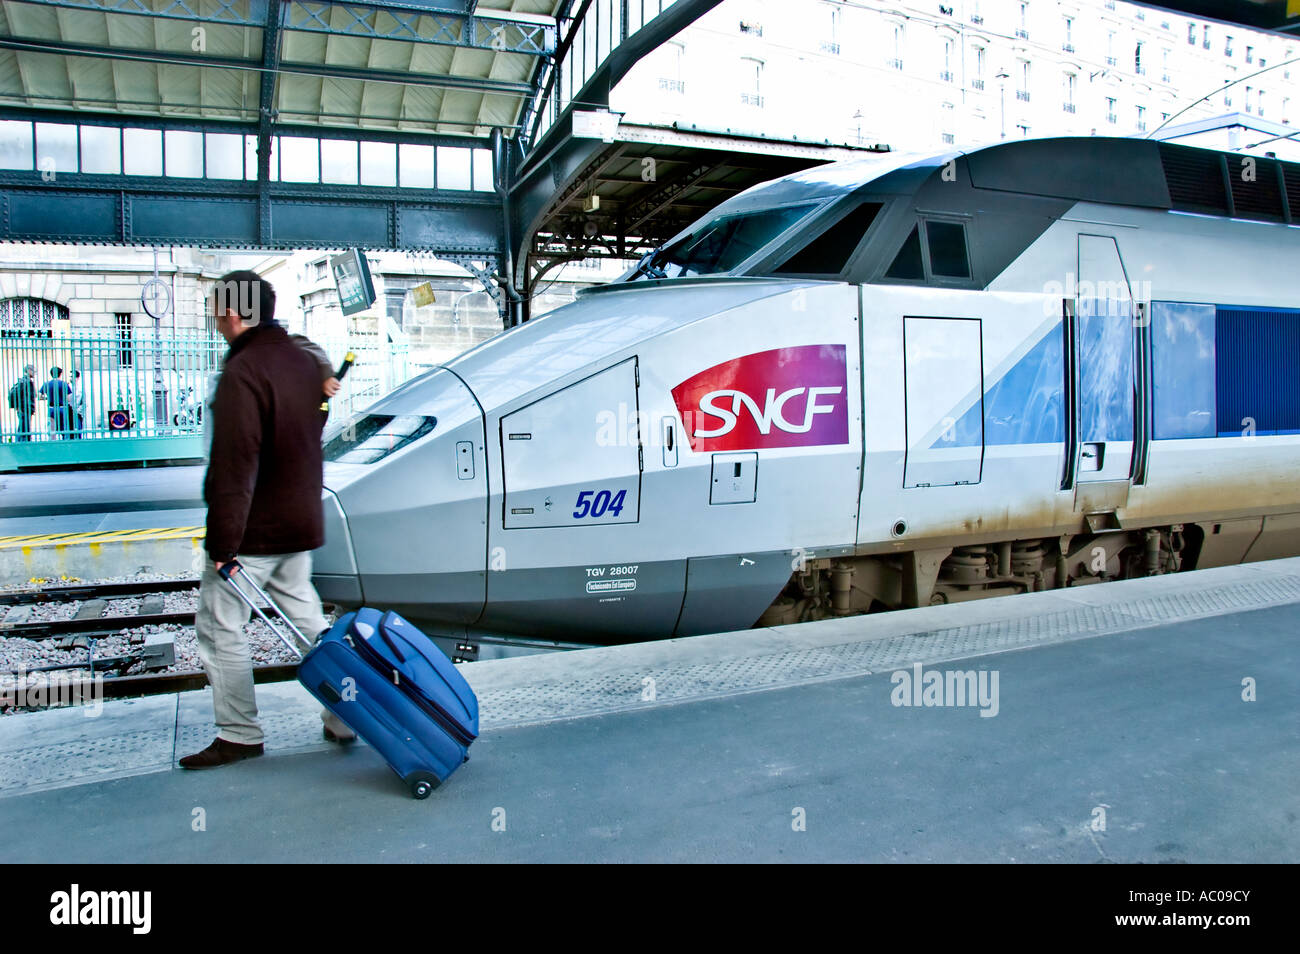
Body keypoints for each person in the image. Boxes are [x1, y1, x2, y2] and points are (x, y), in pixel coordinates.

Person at [180, 270, 356, 770]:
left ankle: (239, 733)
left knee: (219, 625)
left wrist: (222, 543)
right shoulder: (302, 362)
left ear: (232, 314)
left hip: (256, 531)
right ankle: (346, 714)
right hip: (299, 520)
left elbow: (237, 464)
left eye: (216, 308)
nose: (214, 317)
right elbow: (314, 424)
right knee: (308, 624)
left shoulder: (243, 373)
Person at [37, 366, 72, 439]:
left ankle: (53, 443)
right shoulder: (64, 384)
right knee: (64, 428)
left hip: (51, 408)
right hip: (62, 408)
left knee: (52, 428)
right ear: (60, 374)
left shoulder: (46, 384)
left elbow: (39, 396)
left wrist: (47, 397)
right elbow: (69, 398)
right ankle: (65, 442)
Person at [7, 364, 36, 441]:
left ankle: (21, 442)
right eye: (33, 370)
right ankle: (22, 444)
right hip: (25, 408)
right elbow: (13, 394)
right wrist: (17, 406)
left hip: (26, 408)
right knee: (24, 429)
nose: (34, 372)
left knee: (23, 427)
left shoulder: (25, 381)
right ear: (29, 371)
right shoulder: (25, 382)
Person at [68, 369, 85, 439]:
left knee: (78, 431)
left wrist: (79, 411)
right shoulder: (67, 387)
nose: (70, 378)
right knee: (69, 432)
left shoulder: (81, 389)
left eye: (72, 376)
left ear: (77, 378)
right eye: (70, 376)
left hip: (77, 413)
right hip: (68, 412)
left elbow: (84, 402)